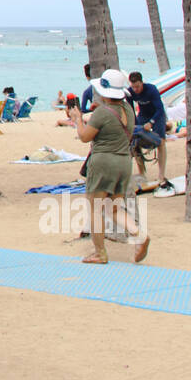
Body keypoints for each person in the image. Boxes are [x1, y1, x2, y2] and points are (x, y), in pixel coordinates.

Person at [74, 69, 148, 265]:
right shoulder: (128, 111)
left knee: (95, 209)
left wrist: (76, 119)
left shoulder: (101, 114)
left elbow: (84, 137)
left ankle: (100, 253)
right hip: (123, 161)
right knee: (114, 207)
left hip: (103, 162)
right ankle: (138, 234)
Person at [127, 71, 171, 190]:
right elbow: (130, 110)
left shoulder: (151, 89)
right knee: (135, 141)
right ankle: (142, 173)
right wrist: (135, 125)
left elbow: (160, 109)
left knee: (161, 142)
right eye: (133, 86)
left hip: (157, 115)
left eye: (138, 86)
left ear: (142, 83)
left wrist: (151, 122)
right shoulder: (130, 92)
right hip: (143, 114)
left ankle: (161, 175)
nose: (136, 89)